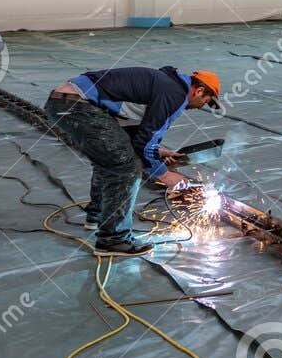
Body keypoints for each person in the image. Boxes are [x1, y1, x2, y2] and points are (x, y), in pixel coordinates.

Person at [44, 66, 221, 256]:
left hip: (66, 103)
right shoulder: (175, 93)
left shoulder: (166, 85)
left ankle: (97, 217)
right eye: (205, 101)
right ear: (199, 90)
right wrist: (165, 174)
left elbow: (133, 133)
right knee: (126, 167)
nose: (201, 106)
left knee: (111, 158)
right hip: (76, 106)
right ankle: (113, 240)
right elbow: (144, 141)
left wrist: (157, 152)